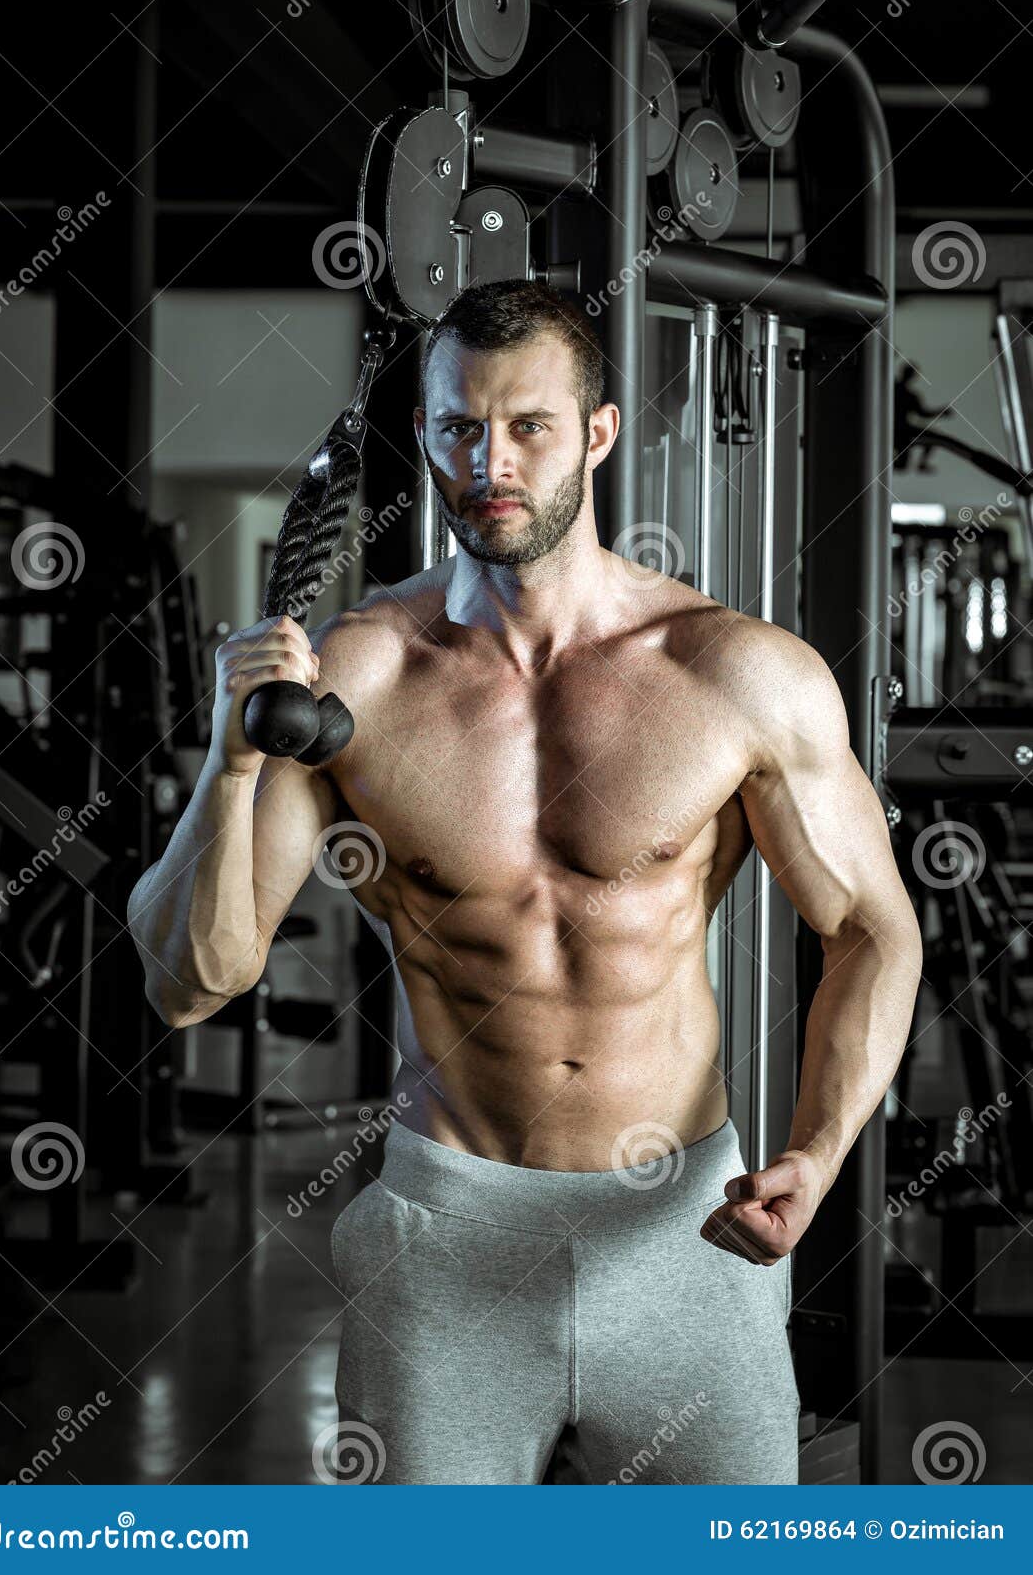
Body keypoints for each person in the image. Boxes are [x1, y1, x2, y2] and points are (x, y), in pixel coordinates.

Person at [128, 279, 923, 1485]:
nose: (489, 461)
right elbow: (193, 982)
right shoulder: (360, 676)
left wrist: (816, 1154)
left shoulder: (735, 673)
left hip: (686, 1235)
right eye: (460, 426)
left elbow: (871, 928)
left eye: (528, 426)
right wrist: (228, 766)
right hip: (446, 1242)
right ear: (424, 434)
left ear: (597, 433)